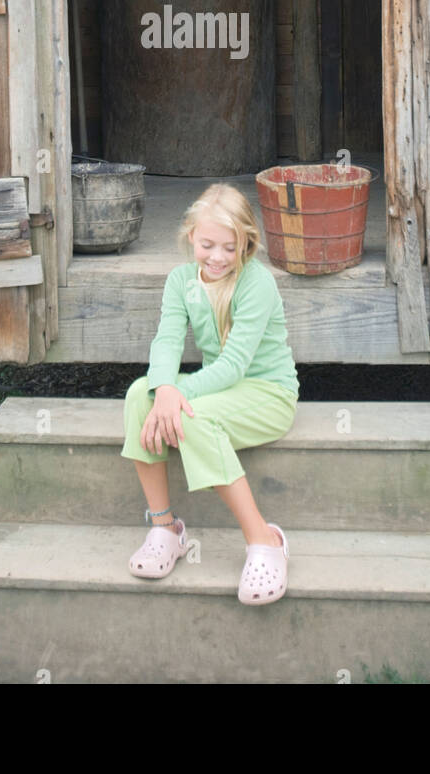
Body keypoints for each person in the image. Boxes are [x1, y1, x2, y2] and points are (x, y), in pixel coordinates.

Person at [120, 182, 299, 605]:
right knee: (136, 395)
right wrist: (164, 387)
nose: (217, 257)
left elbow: (236, 365)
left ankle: (265, 541)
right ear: (190, 238)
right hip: (220, 387)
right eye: (207, 245)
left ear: (246, 243)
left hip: (267, 393)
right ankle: (165, 529)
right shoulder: (181, 280)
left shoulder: (256, 283)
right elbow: (166, 341)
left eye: (228, 247)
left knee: (191, 414)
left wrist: (177, 396)